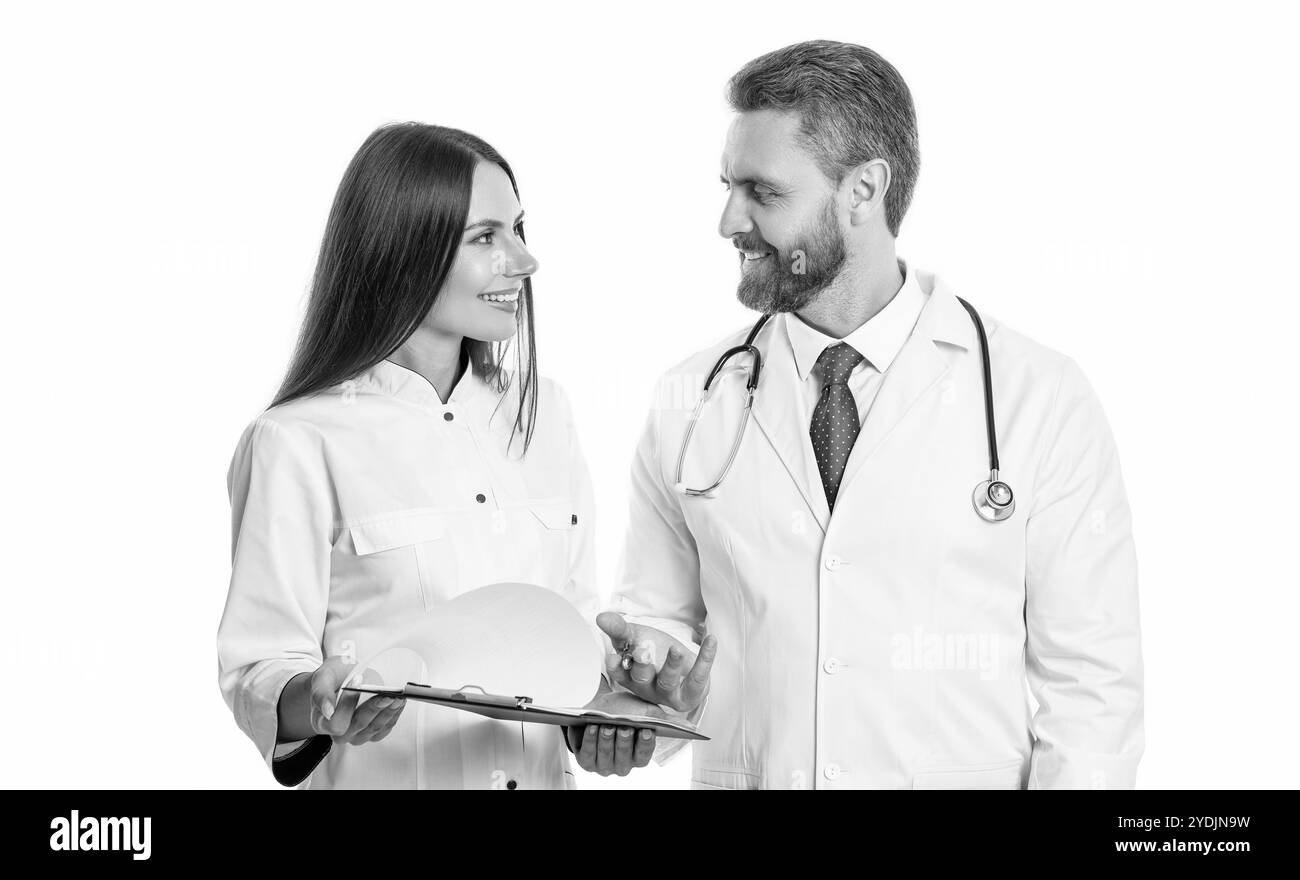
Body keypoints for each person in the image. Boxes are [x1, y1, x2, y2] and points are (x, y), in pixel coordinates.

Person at [608, 40, 1144, 789]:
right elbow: (657, 622)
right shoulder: (691, 398)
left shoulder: (1037, 397)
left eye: (762, 193)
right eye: (728, 186)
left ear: (863, 191)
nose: (727, 220)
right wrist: (645, 679)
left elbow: (1093, 692)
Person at [216, 123, 701, 789]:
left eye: (519, 230)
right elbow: (257, 668)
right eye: (486, 238)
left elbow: (569, 632)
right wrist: (320, 701)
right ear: (404, 249)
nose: (524, 263)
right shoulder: (299, 441)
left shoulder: (545, 416)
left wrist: (612, 709)